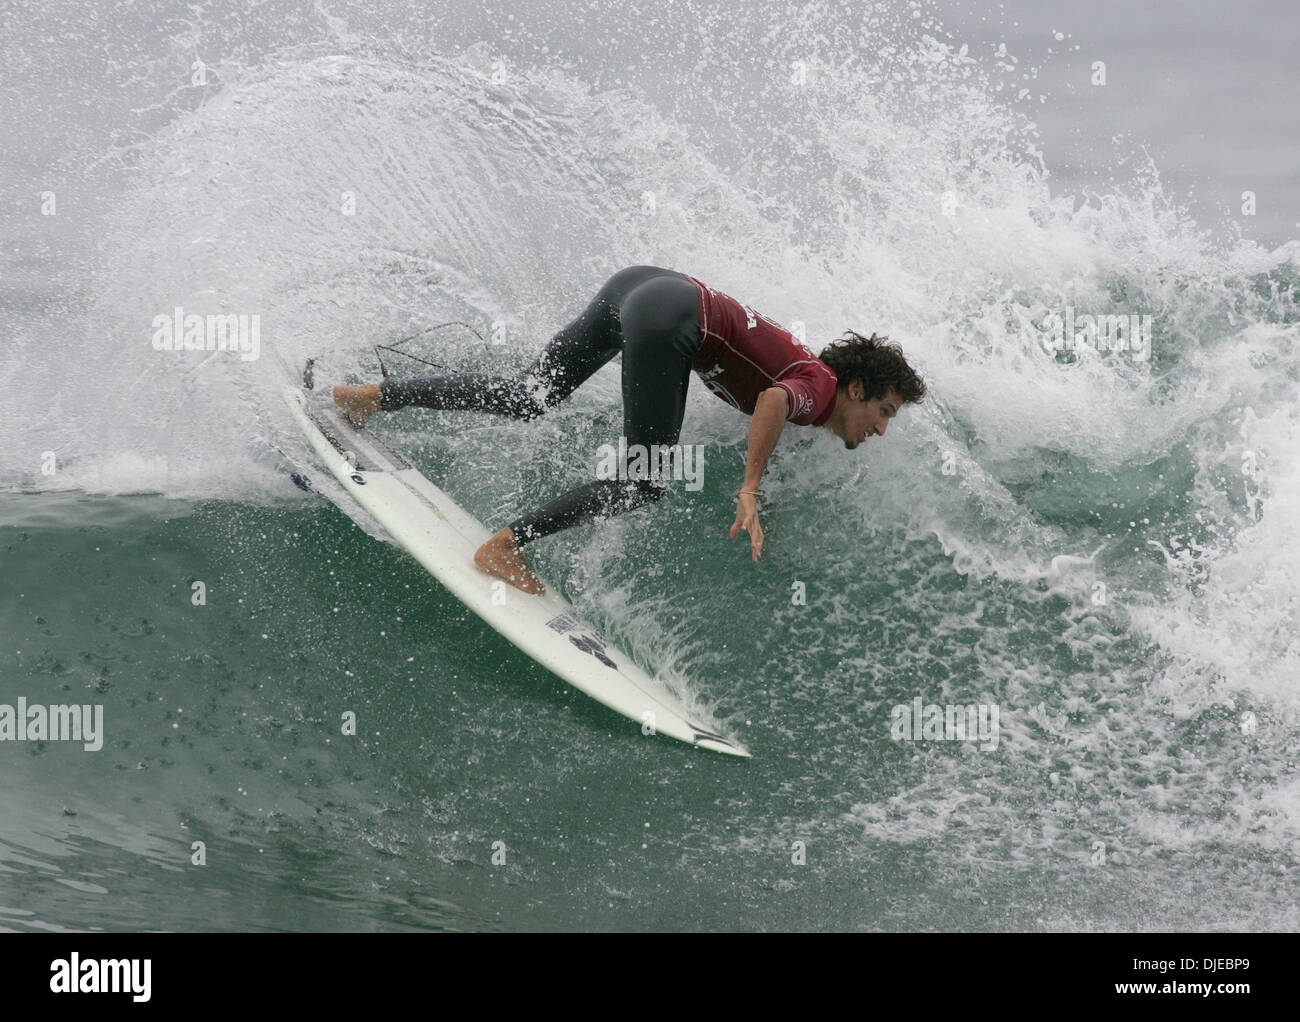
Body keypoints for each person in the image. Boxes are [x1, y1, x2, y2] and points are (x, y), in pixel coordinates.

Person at [333, 264, 926, 595]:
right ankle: (503, 547)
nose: (881, 428)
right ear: (857, 390)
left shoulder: (809, 372)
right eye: (885, 411)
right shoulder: (819, 389)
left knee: (529, 395)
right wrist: (749, 487)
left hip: (641, 285)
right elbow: (773, 399)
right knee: (642, 482)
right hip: (673, 315)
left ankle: (372, 397)